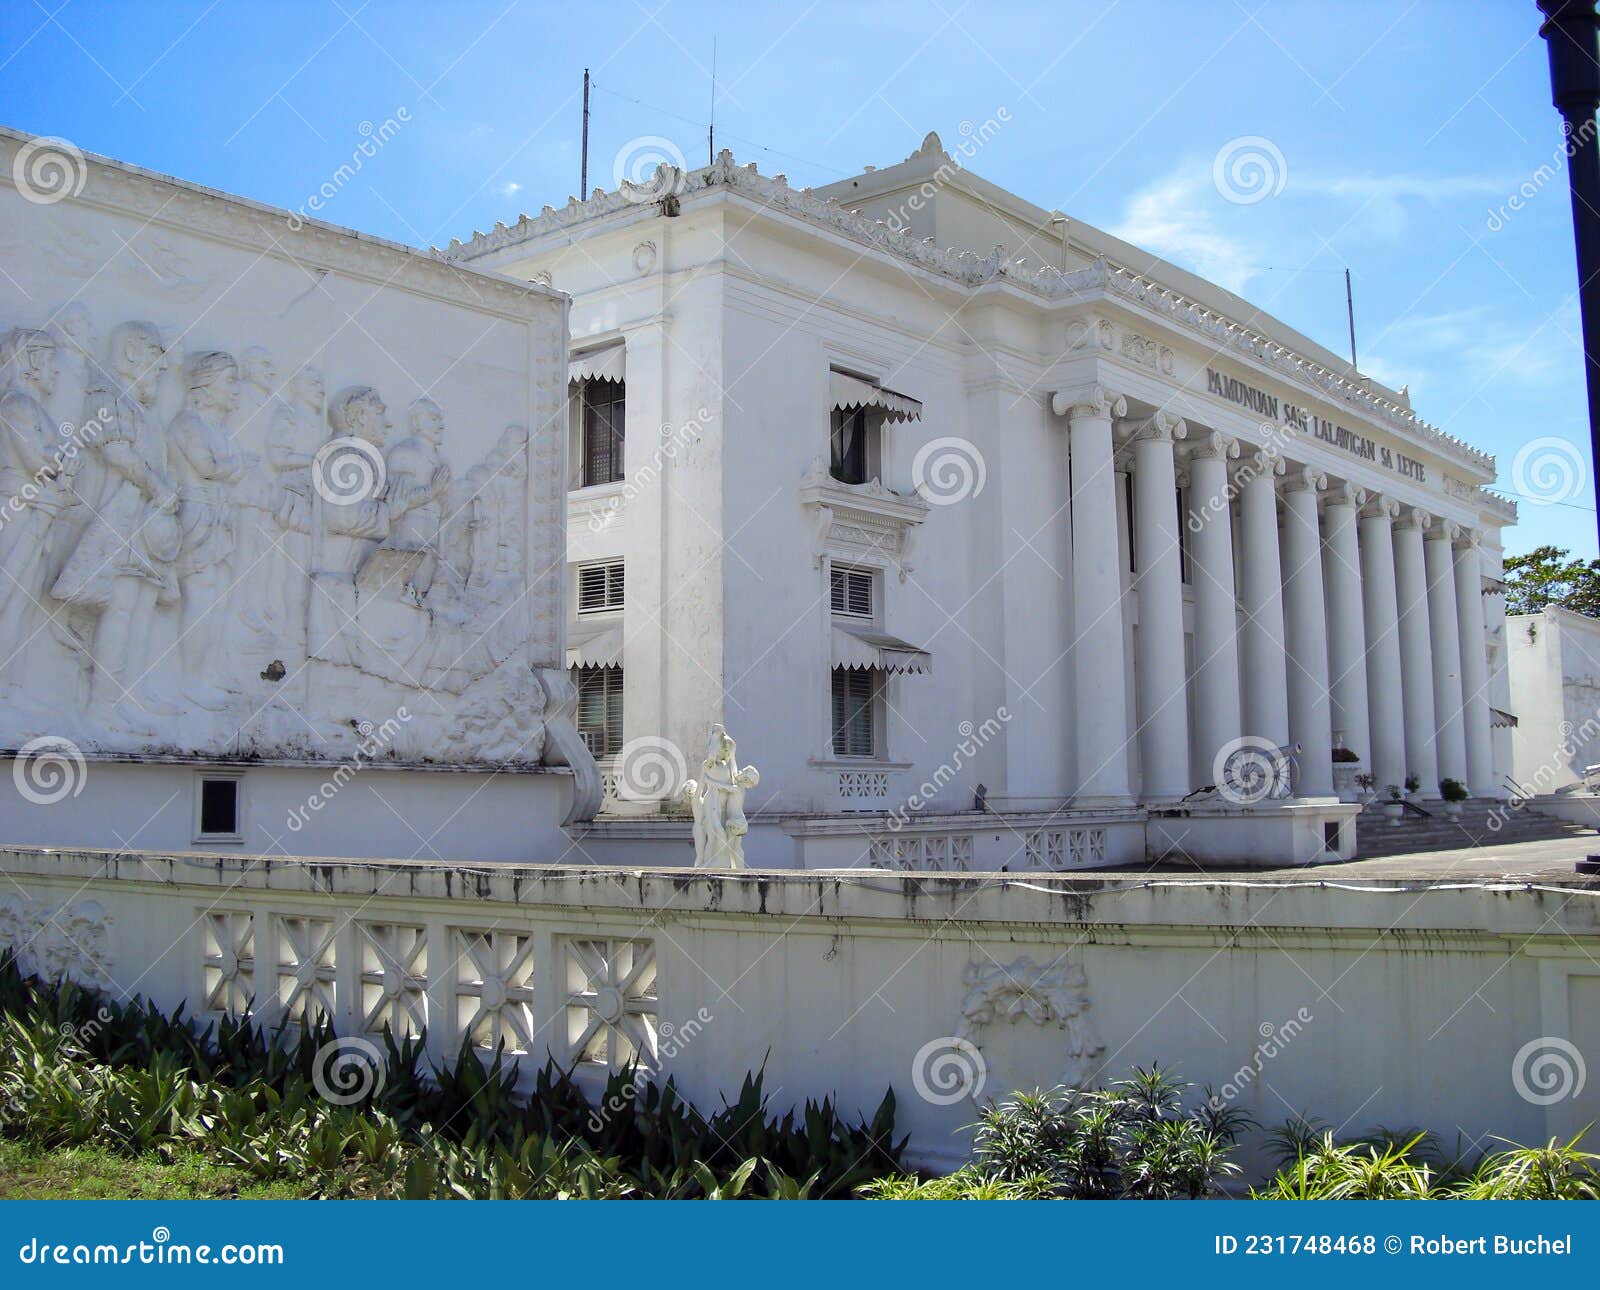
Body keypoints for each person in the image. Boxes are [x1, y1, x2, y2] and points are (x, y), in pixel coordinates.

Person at [52, 321, 181, 724]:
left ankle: (132, 695)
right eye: (156, 362)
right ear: (132, 354)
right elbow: (115, 452)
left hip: (145, 522)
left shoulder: (141, 408)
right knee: (122, 609)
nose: (161, 374)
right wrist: (158, 487)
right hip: (120, 516)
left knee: (141, 606)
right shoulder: (107, 393)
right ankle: (104, 704)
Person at [168, 351, 245, 708]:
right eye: (229, 381)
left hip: (221, 517)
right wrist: (234, 466)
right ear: (207, 385)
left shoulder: (219, 430)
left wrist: (230, 467)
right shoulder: (188, 423)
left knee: (219, 599)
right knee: (199, 597)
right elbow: (208, 466)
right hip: (197, 515)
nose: (236, 389)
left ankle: (205, 674)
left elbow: (224, 469)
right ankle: (186, 679)